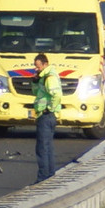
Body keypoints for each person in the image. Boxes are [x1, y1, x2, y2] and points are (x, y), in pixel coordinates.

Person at [32, 52, 62, 182]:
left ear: (45, 64)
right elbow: (36, 92)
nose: (36, 69)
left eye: (38, 66)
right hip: (45, 115)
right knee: (48, 146)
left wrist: (50, 109)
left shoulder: (49, 77)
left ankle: (43, 177)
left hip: (46, 115)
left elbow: (57, 95)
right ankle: (49, 174)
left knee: (42, 148)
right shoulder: (43, 77)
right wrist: (34, 81)